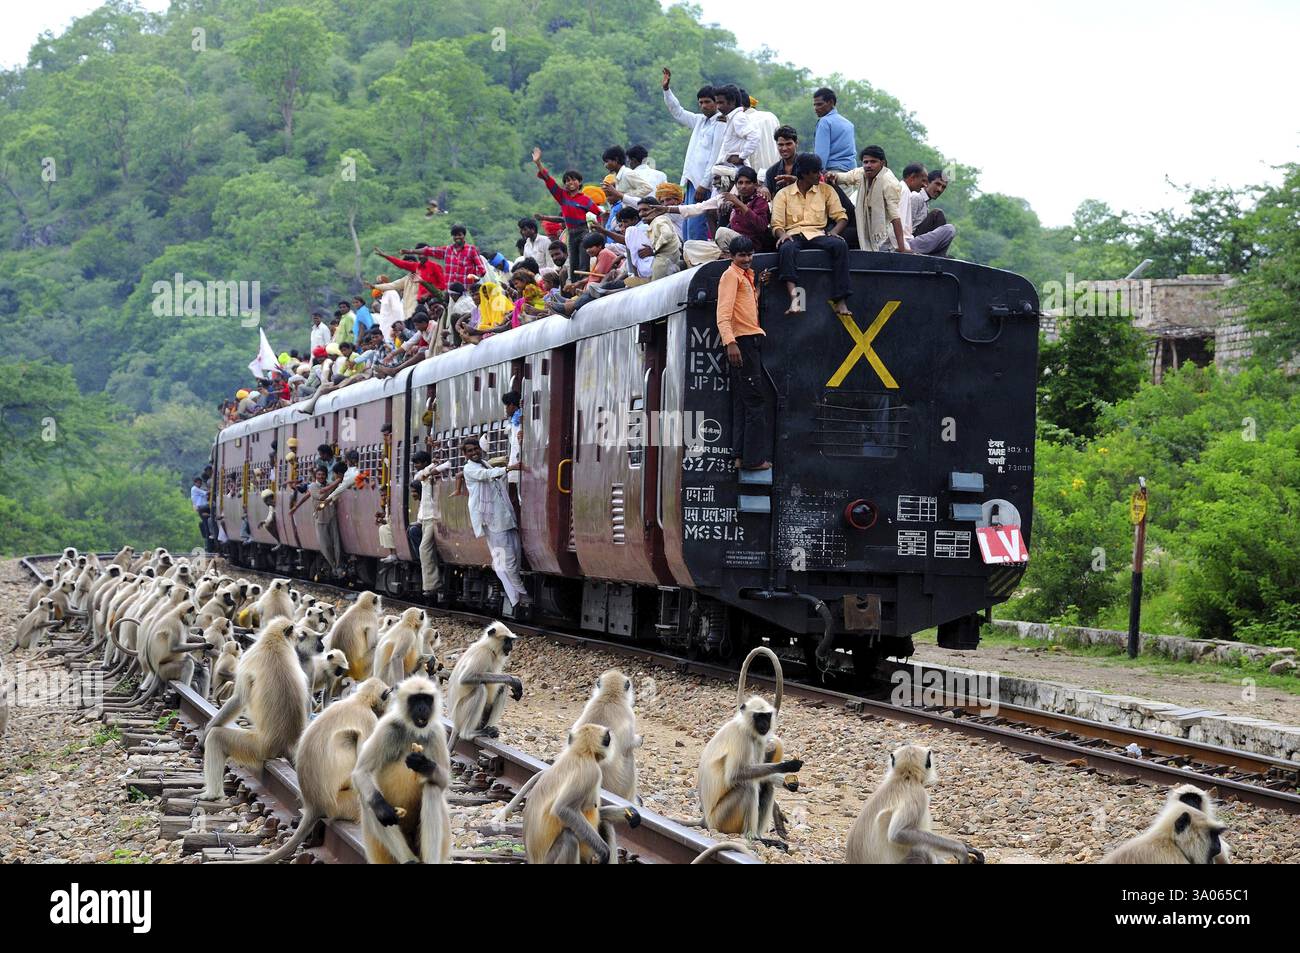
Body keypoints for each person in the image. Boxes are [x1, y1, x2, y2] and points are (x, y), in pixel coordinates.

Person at [771, 153, 853, 316]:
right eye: (815, 172)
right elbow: (777, 224)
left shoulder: (826, 190)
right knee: (786, 248)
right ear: (804, 174)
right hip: (794, 234)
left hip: (818, 234)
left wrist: (834, 233)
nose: (819, 175)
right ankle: (795, 301)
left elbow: (842, 216)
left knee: (840, 245)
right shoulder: (784, 194)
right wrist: (781, 234)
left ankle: (841, 301)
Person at [715, 236, 771, 471]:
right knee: (756, 403)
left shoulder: (745, 277)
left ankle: (739, 456)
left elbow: (746, 306)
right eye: (742, 255)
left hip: (746, 340)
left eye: (749, 255)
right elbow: (724, 313)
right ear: (732, 256)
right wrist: (731, 342)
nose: (747, 259)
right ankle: (753, 459)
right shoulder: (730, 276)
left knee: (742, 402)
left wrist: (758, 287)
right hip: (743, 343)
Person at [460, 437, 531, 612]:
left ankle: (518, 596)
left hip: (505, 517)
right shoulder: (469, 469)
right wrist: (509, 467)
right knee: (509, 561)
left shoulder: (485, 463)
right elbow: (486, 476)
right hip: (492, 521)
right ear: (465, 455)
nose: (474, 452)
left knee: (515, 556)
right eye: (470, 451)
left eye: (476, 449)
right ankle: (521, 597)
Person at [661, 68, 722, 241]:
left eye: (707, 102)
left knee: (697, 227)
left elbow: (715, 157)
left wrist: (704, 184)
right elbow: (678, 112)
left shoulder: (721, 123)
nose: (703, 106)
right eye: (701, 102)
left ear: (716, 102)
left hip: (705, 183)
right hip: (690, 180)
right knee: (688, 226)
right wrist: (667, 90)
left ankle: (699, 263)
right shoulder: (699, 120)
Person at [532, 146, 601, 275]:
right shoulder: (562, 196)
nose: (570, 182)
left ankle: (582, 286)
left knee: (583, 261)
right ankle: (574, 289)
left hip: (583, 232)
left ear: (579, 182)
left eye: (573, 179)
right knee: (573, 263)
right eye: (567, 180)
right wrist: (538, 163)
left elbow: (599, 214)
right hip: (571, 233)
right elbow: (548, 179)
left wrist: (599, 231)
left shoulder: (585, 199)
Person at [825, 146, 907, 253]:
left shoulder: (889, 182)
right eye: (866, 162)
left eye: (873, 162)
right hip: (859, 219)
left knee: (842, 236)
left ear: (882, 163)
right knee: (831, 184)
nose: (868, 166)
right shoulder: (861, 173)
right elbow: (844, 177)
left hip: (875, 231)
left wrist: (902, 248)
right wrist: (832, 176)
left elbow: (895, 217)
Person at [409, 449, 448, 600]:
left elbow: (448, 465)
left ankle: (432, 585)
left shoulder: (429, 473)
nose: (416, 466)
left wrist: (434, 468)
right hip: (424, 518)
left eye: (418, 463)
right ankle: (431, 583)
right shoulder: (422, 475)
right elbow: (419, 476)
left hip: (432, 518)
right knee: (422, 546)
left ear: (424, 462)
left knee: (424, 549)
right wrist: (432, 467)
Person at [412, 225, 487, 287]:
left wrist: (472, 278)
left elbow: (482, 270)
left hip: (466, 290)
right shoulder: (448, 250)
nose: (457, 237)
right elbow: (431, 250)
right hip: (450, 292)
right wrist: (411, 251)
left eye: (459, 235)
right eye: (455, 235)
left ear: (464, 235)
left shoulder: (471, 250)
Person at [910, 170, 957, 257]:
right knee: (944, 222)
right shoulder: (916, 197)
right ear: (927, 182)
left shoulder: (925, 202)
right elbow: (905, 226)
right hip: (909, 242)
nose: (939, 189)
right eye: (937, 184)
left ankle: (938, 254)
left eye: (943, 187)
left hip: (917, 239)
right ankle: (938, 255)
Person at [712, 85, 759, 169]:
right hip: (729, 167)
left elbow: (754, 136)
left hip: (735, 168)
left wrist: (741, 157)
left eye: (721, 103)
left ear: (732, 102)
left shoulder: (738, 117)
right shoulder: (731, 118)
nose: (718, 107)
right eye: (717, 103)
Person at [812, 87, 858, 173]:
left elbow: (821, 155)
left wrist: (816, 173)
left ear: (831, 102)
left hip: (832, 173)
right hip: (852, 173)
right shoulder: (848, 124)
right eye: (814, 105)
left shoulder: (825, 122)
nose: (816, 108)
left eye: (819, 104)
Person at [639, 197, 681, 281]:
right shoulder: (653, 224)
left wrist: (654, 250)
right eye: (639, 211)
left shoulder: (659, 220)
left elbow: (667, 234)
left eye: (645, 210)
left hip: (663, 263)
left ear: (655, 210)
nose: (641, 214)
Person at [764, 125, 800, 198]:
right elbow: (767, 189)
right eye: (780, 145)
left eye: (788, 144)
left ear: (796, 143)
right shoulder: (772, 172)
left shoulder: (808, 166)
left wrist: (798, 182)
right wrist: (764, 188)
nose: (784, 148)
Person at [502, 391, 523, 508]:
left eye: (506, 406)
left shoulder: (520, 419)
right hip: (515, 463)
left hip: (518, 464)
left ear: (512, 405)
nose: (506, 409)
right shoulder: (515, 421)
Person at [190, 476, 210, 543]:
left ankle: (208, 537)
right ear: (195, 483)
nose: (199, 484)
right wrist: (210, 490)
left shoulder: (198, 489)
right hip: (201, 507)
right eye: (198, 483)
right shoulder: (195, 489)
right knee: (206, 523)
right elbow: (206, 493)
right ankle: (208, 538)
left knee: (206, 522)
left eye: (200, 483)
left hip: (202, 507)